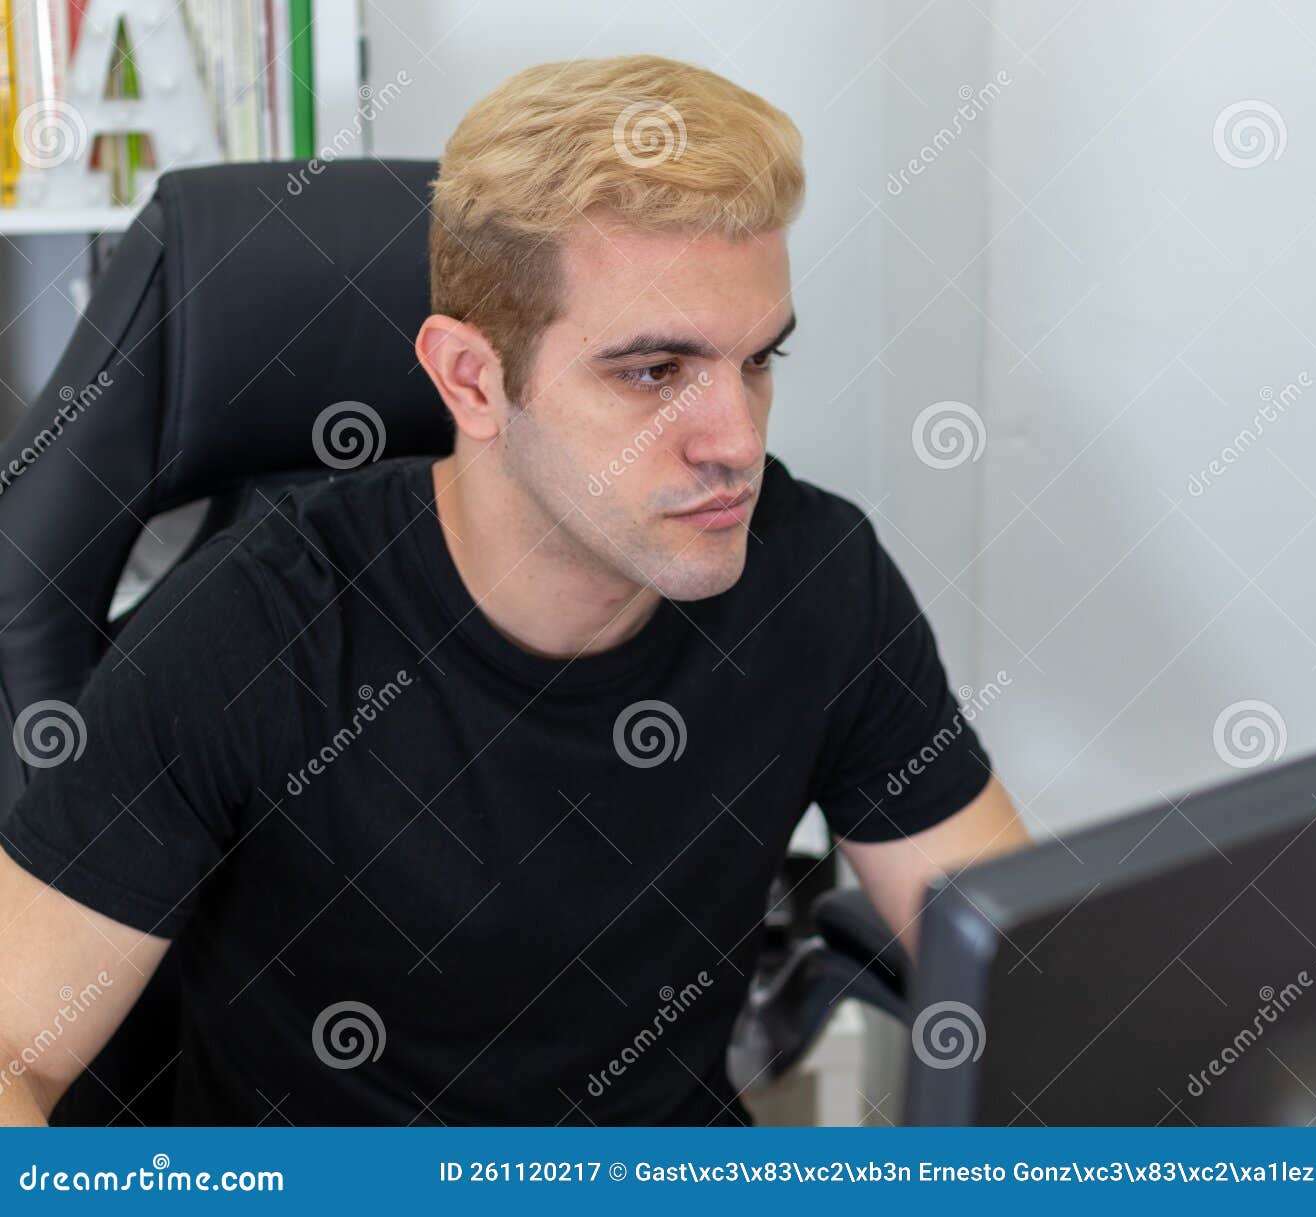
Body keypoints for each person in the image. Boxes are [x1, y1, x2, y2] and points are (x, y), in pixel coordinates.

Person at [0, 54, 1028, 1126]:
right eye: (652, 372)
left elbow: (1027, 969)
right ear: (472, 380)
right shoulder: (246, 628)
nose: (736, 443)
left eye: (757, 360)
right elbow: (11, 1053)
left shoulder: (817, 577)